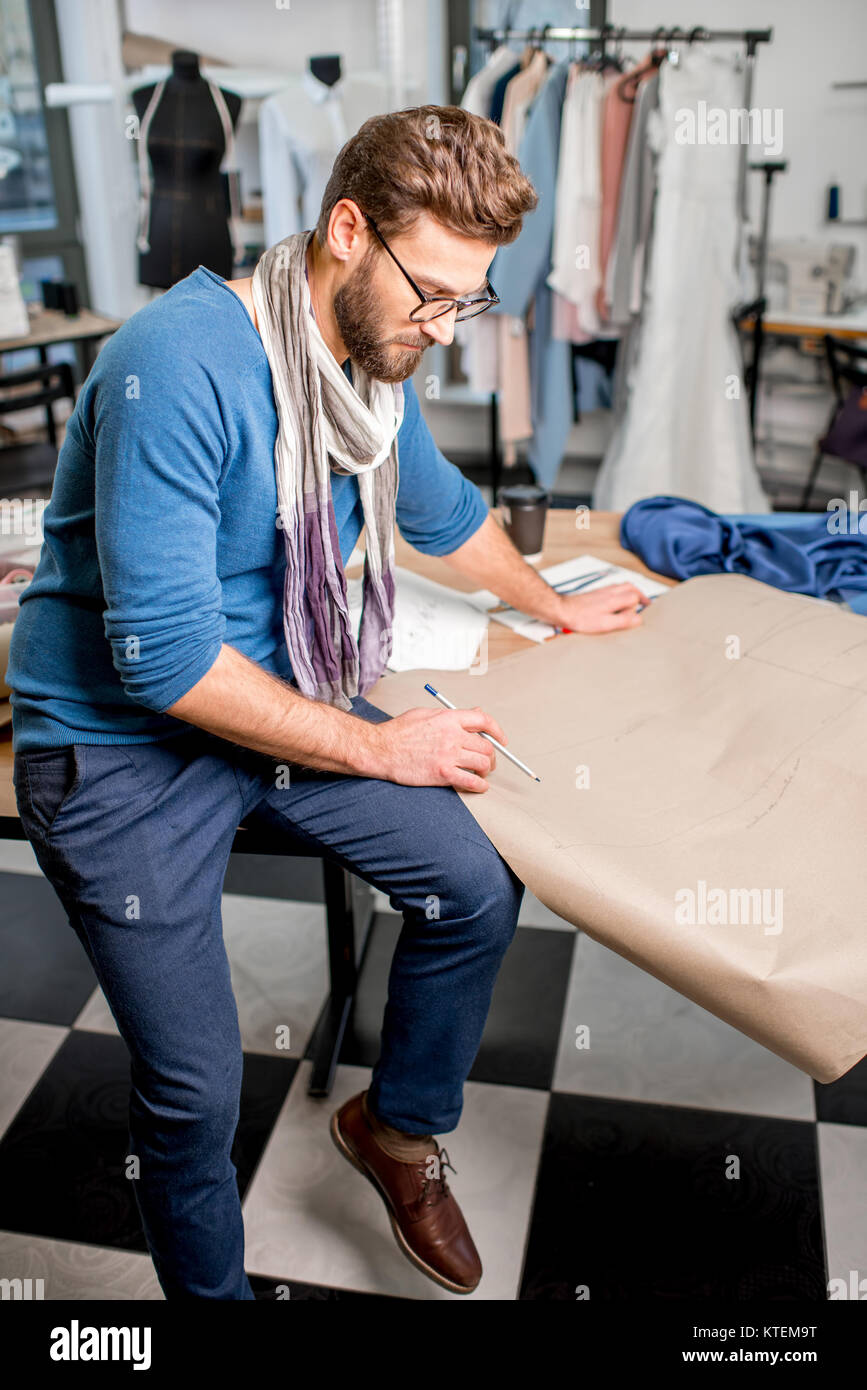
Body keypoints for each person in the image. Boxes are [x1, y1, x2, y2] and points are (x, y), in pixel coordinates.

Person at [6, 105, 647, 1300]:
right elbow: (164, 661)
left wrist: (553, 603)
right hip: (121, 743)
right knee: (195, 1092)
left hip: (275, 696)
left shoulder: (369, 367)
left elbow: (440, 512)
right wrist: (379, 746)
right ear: (347, 229)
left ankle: (393, 1132)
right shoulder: (177, 360)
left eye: (471, 298)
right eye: (431, 291)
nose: (445, 328)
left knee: (471, 886)